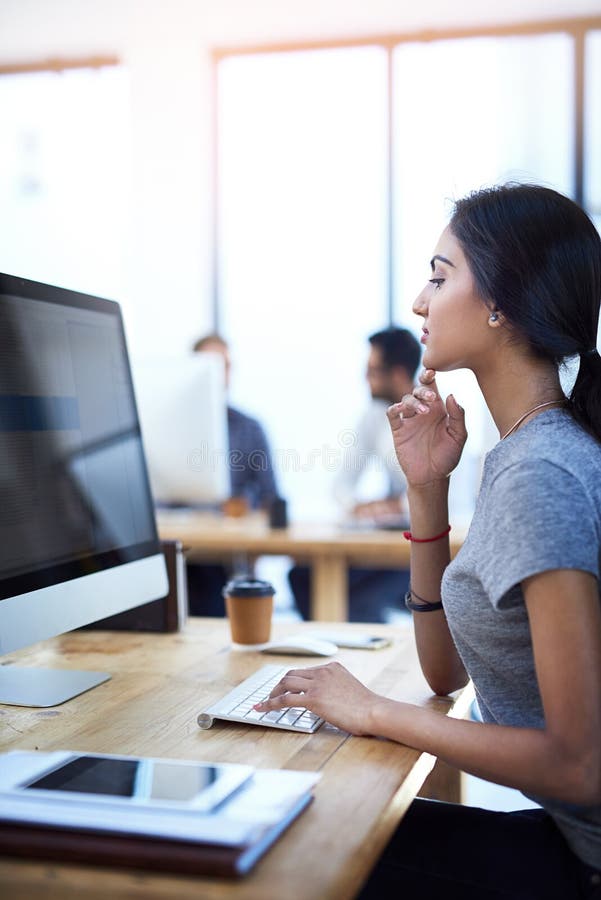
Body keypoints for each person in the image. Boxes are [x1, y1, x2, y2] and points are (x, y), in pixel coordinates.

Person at [255, 184, 601, 898]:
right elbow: (445, 674)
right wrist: (425, 489)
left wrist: (372, 710)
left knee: (292, 848)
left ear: (500, 302)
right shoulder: (524, 452)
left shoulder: (540, 471)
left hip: (585, 868)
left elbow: (579, 764)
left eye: (439, 276)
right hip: (573, 845)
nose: (418, 300)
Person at [289, 327, 421, 622]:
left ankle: (358, 654)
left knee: (357, 598)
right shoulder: (374, 415)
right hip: (388, 540)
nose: (365, 379)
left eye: (373, 371)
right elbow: (340, 486)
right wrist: (360, 505)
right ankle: (327, 648)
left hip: (423, 549)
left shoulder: (433, 412)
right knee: (301, 576)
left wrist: (397, 505)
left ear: (398, 374)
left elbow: (450, 495)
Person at [187, 333, 279, 615]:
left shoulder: (250, 428)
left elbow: (271, 499)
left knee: (212, 584)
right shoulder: (168, 428)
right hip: (180, 550)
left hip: (226, 555)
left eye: (225, 366)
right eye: (210, 366)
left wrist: (245, 505)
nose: (220, 374)